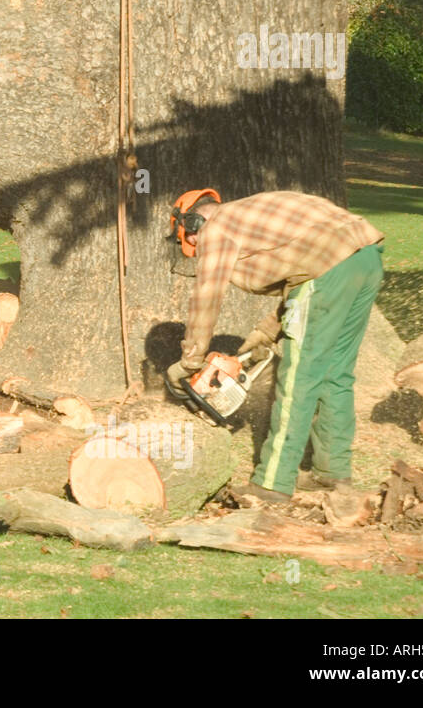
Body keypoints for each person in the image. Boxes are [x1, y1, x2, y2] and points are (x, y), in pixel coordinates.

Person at [165, 189, 385, 502]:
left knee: (298, 378)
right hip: (365, 257)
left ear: (192, 223)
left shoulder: (215, 229)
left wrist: (190, 361)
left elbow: (207, 297)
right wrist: (267, 332)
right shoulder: (248, 215)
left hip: (327, 268)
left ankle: (273, 482)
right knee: (336, 372)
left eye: (191, 240)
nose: (195, 246)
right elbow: (302, 273)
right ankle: (332, 472)